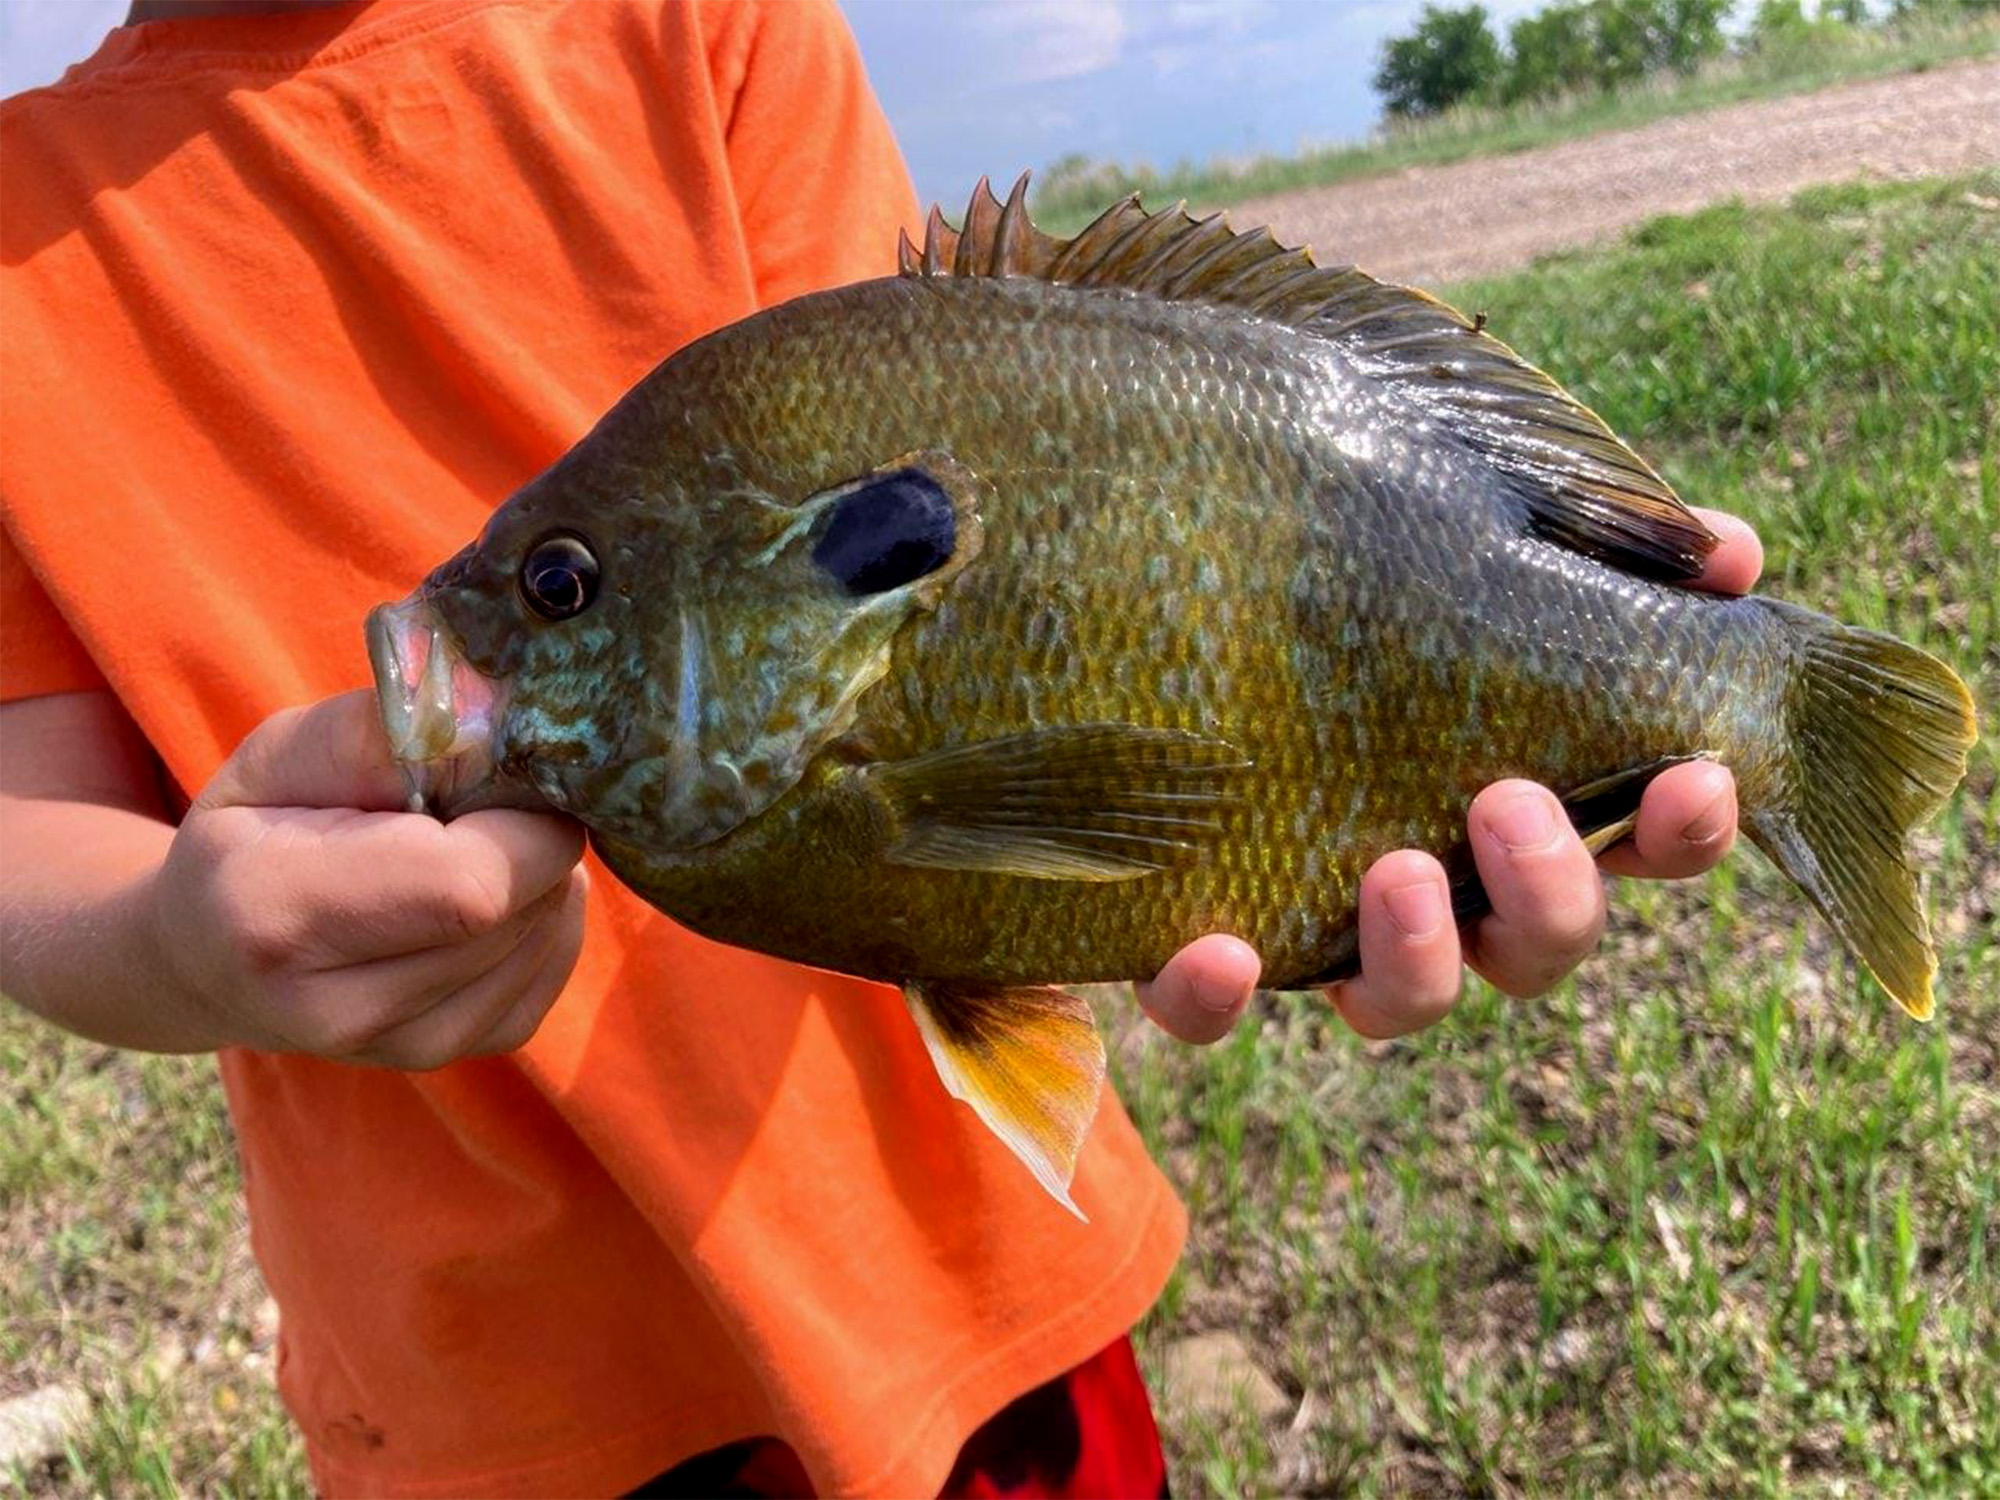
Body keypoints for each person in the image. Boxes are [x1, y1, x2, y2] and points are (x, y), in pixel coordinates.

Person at [0, 1, 1758, 1494]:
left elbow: (942, 381)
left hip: (969, 1289)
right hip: (480, 1389)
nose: (481, 636)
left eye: (556, 589)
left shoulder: (698, 21)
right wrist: (170, 943)